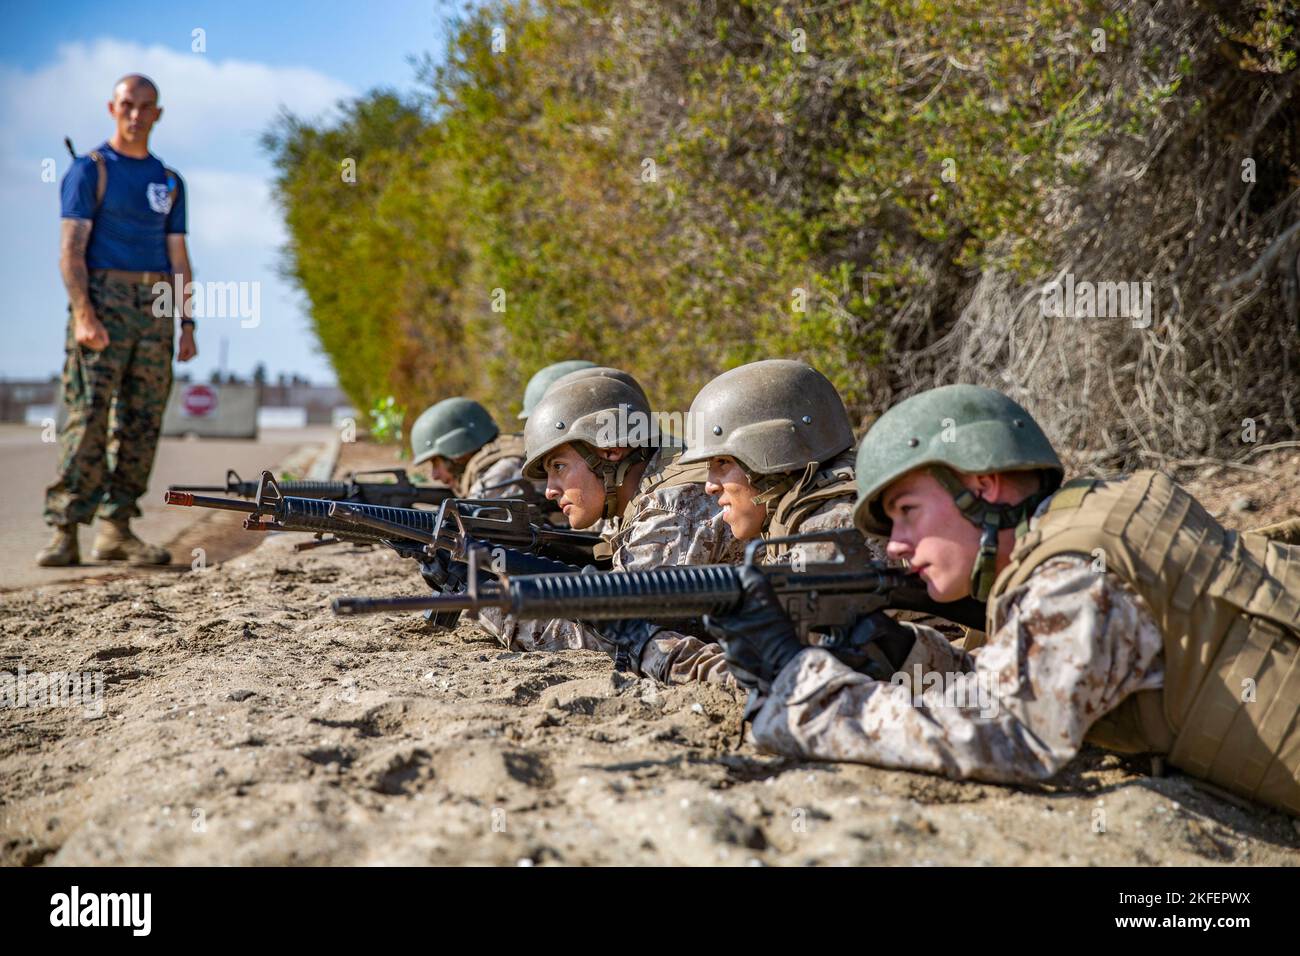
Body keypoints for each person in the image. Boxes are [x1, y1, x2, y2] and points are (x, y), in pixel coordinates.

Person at [705, 384, 1300, 816]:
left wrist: (800, 691)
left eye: (908, 513)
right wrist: (898, 649)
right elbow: (1021, 676)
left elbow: (1008, 729)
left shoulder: (1078, 569)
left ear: (982, 487)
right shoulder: (1082, 526)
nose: (898, 543)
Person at [622, 359, 884, 685]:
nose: (710, 485)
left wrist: (654, 651)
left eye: (722, 463)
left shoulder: (828, 529)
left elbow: (779, 679)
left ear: (773, 454)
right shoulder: (802, 512)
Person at [472, 367, 743, 656]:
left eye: (559, 467)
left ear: (611, 451)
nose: (550, 491)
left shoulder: (673, 507)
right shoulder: (636, 490)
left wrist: (487, 603)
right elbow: (602, 569)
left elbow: (616, 634)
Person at [39, 74, 195, 566]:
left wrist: (186, 324)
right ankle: (65, 530)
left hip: (155, 308)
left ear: (158, 114)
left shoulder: (169, 181)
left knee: (142, 421)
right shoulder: (90, 170)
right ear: (112, 107)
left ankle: (117, 528)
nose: (136, 114)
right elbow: (70, 250)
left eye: (146, 106)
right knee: (87, 418)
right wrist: (84, 314)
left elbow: (179, 257)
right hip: (103, 301)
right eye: (128, 104)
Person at [408, 396, 527, 500]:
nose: (434, 475)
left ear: (456, 450)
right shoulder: (508, 454)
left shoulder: (498, 478)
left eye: (435, 462)